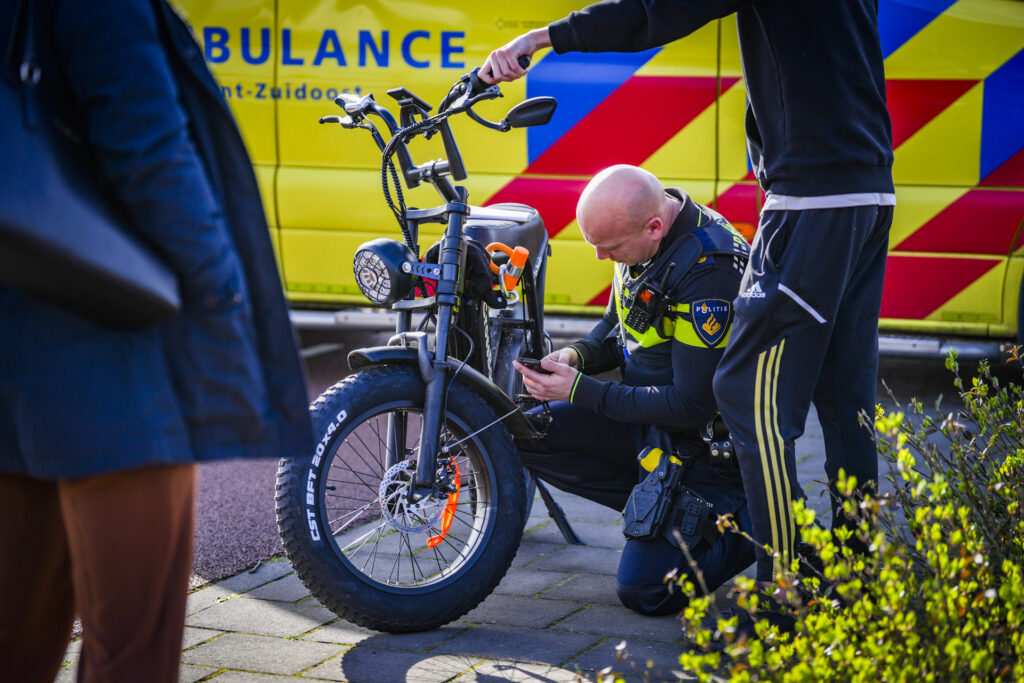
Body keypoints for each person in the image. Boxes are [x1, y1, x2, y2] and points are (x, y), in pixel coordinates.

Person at [484, 1, 895, 589]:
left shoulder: (703, 261)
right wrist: (582, 359)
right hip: (868, 186)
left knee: (746, 397)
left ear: (654, 226)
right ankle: (857, 572)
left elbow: (657, 10)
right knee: (844, 398)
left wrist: (547, 36)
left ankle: (787, 579)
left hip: (812, 194)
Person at [0, 1, 313, 681]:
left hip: (14, 342)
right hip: (114, 357)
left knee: (14, 631)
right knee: (133, 645)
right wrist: (222, 291)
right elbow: (149, 151)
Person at [514, 164, 754, 615]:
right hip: (648, 423)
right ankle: (659, 505)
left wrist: (580, 390)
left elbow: (691, 406)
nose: (602, 259)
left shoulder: (709, 271)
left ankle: (749, 526)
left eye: (609, 248)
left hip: (704, 450)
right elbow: (619, 326)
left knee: (646, 592)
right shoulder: (646, 239)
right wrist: (575, 358)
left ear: (654, 226)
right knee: (524, 429)